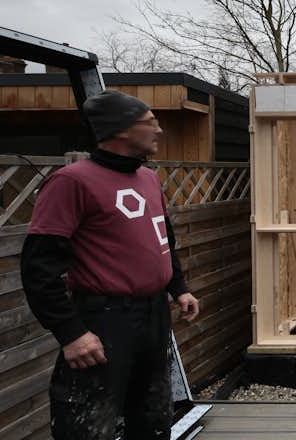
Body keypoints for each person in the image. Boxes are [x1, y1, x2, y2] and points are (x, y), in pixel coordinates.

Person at [20, 89, 200, 439]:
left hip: (153, 316)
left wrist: (178, 287)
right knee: (89, 423)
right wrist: (70, 333)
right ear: (121, 131)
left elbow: (163, 239)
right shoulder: (71, 182)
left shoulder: (148, 178)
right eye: (150, 123)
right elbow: (38, 267)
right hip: (103, 319)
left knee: (153, 417)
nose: (159, 130)